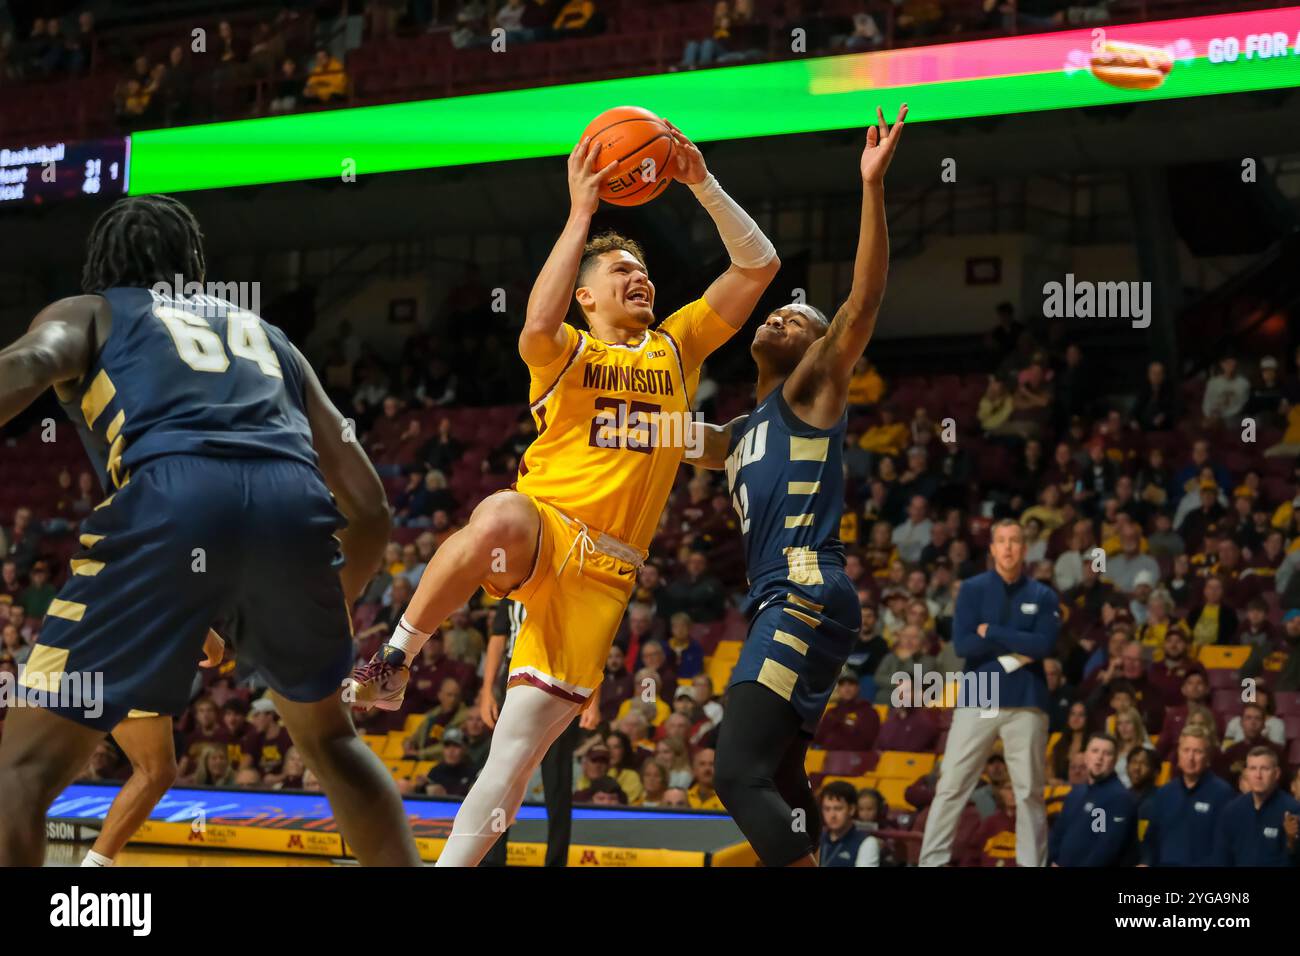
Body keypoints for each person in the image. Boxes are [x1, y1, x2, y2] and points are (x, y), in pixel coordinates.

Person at [348, 121, 780, 868]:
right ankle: (394, 657)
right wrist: (580, 213)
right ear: (585, 295)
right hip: (544, 528)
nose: (638, 277)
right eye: (619, 271)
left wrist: (701, 181)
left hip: (605, 575)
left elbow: (759, 265)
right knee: (502, 512)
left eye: (642, 270)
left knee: (509, 765)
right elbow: (536, 323)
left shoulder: (677, 347)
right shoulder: (566, 350)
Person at [0, 195, 419, 867]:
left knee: (18, 773)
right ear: (193, 265)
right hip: (294, 507)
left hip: (171, 497)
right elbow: (369, 505)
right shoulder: (269, 338)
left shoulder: (91, 311)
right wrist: (325, 604)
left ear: (102, 268)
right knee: (334, 745)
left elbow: (26, 364)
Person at [691, 105, 905, 867]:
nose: (783, 317)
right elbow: (688, 443)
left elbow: (862, 304)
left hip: (804, 593)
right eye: (779, 311)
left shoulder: (811, 389)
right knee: (779, 777)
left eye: (799, 318)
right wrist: (595, 412)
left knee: (736, 772)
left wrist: (871, 190)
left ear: (818, 350)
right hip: (797, 598)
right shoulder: (746, 428)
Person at [919, 519, 1058, 867]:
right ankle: (930, 862)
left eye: (1015, 541)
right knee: (952, 785)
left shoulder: (1043, 594)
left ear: (1024, 549)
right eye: (1002, 541)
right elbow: (964, 643)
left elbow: (1045, 645)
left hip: (1027, 699)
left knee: (1028, 793)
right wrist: (1018, 645)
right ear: (993, 548)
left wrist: (992, 631)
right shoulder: (972, 589)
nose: (1009, 547)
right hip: (979, 694)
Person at [480, 596, 579, 867]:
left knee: (557, 783)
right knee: (503, 775)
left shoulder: (565, 587)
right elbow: (498, 638)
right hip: (513, 682)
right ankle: (493, 857)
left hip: (557, 684)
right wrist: (487, 690)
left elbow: (587, 642)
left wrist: (593, 694)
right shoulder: (511, 589)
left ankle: (556, 861)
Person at [1138, 725, 1233, 867]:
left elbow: (1222, 850)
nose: (1191, 757)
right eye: (1186, 750)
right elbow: (1151, 840)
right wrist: (1146, 863)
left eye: (1197, 752)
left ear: (1207, 757)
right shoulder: (1164, 793)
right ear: (1178, 753)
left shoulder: (1222, 794)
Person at [1048, 733, 1137, 866]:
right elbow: (1058, 832)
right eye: (1095, 751)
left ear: (1115, 760)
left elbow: (1107, 847)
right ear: (1086, 756)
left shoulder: (1119, 798)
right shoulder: (1076, 792)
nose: (1099, 758)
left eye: (1107, 753)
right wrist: (1053, 861)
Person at [1214, 748, 1300, 866]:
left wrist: (1292, 841)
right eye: (1253, 768)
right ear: (1246, 773)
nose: (1258, 775)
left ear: (1277, 773)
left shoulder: (1293, 810)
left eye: (1265, 769)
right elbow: (1222, 857)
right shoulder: (1232, 810)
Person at [818, 780, 880, 866]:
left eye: (838, 808)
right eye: (827, 809)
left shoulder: (867, 843)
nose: (832, 815)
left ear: (851, 809)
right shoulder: (816, 839)